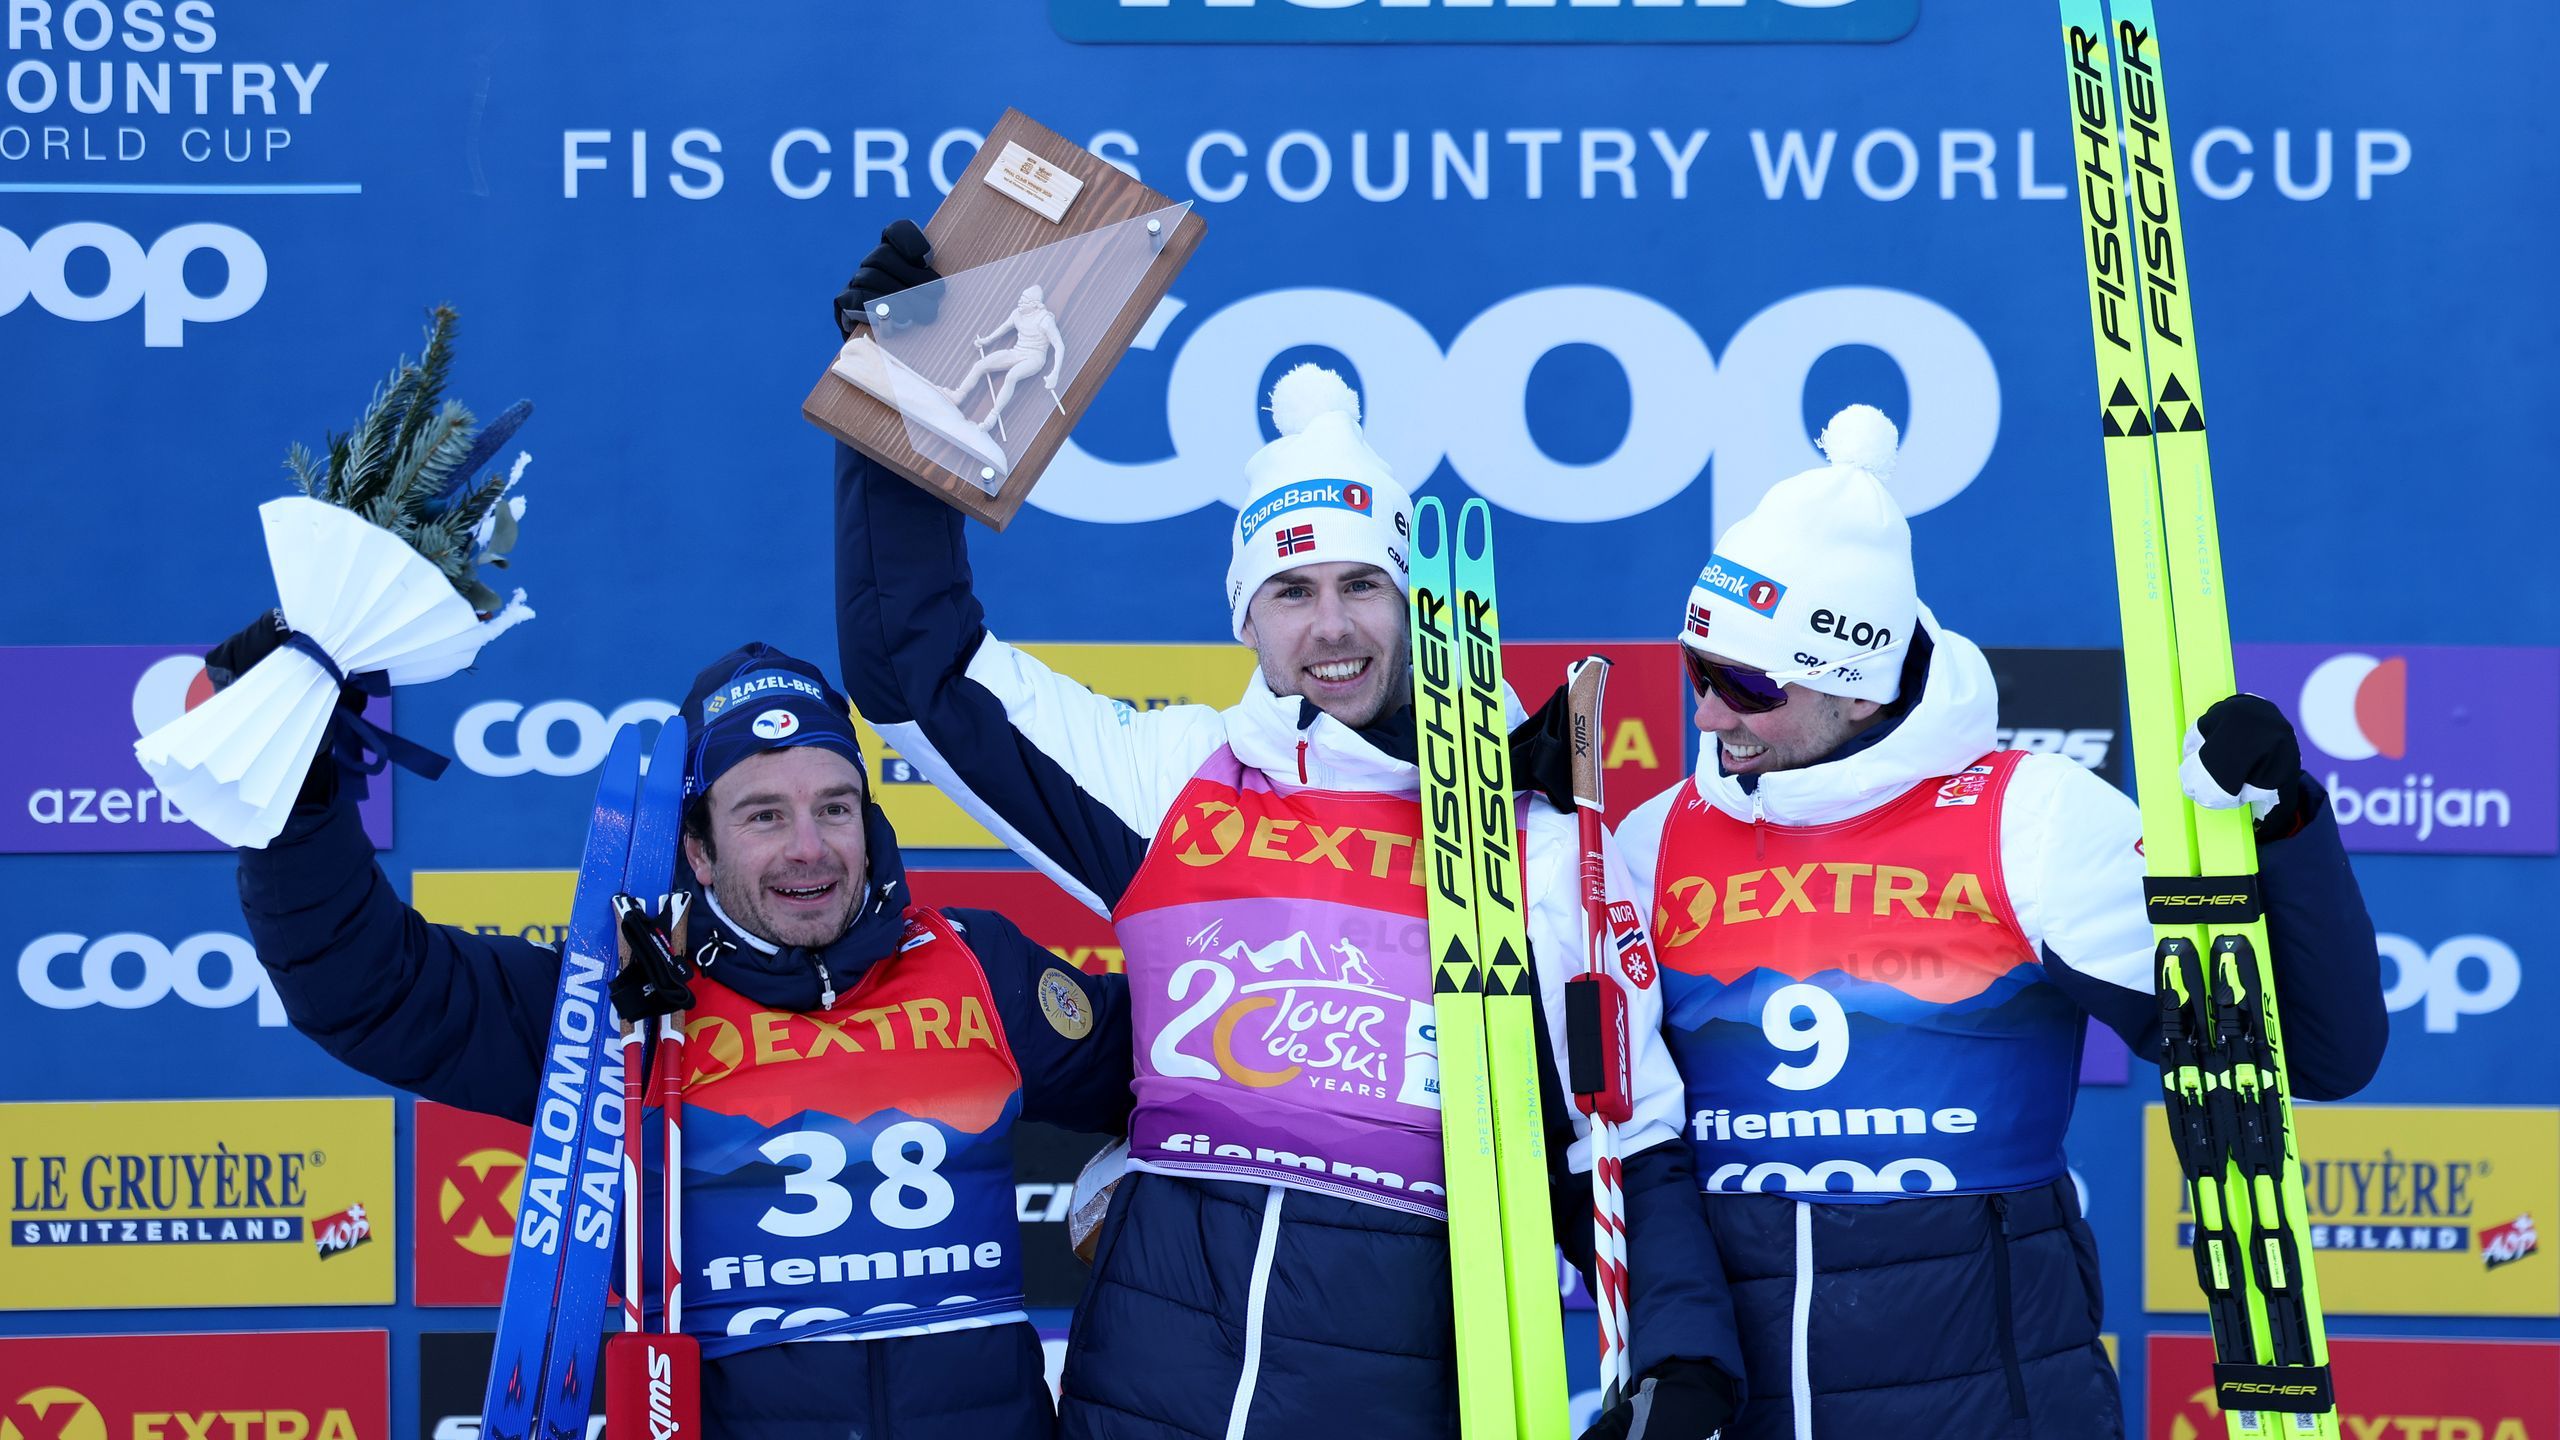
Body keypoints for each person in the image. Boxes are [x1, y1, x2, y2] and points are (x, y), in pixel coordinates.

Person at [831, 228, 1746, 1440]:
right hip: (1145, 1392)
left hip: (1389, 1389)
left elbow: (1621, 1133)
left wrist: (1682, 1367)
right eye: (1292, 594)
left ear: (1417, 602)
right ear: (1245, 621)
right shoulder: (1175, 783)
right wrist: (901, 399)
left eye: (1364, 586)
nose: (1332, 629)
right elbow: (916, 671)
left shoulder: (1527, 837)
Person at [1616, 405, 2389, 1438]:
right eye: (1695, 672)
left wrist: (2283, 824)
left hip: (1989, 1402)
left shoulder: (2027, 818)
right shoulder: (1653, 839)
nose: (1707, 715)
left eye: (1747, 684)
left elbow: (2317, 1052)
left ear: (1854, 687)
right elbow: (1607, 1135)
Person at [222, 629, 1133, 1439]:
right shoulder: (617, 1006)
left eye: (834, 806)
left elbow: (1181, 1072)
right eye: (763, 814)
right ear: (697, 848)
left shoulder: (980, 966)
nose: (809, 846)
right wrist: (295, 789)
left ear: (870, 819)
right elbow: (369, 989)